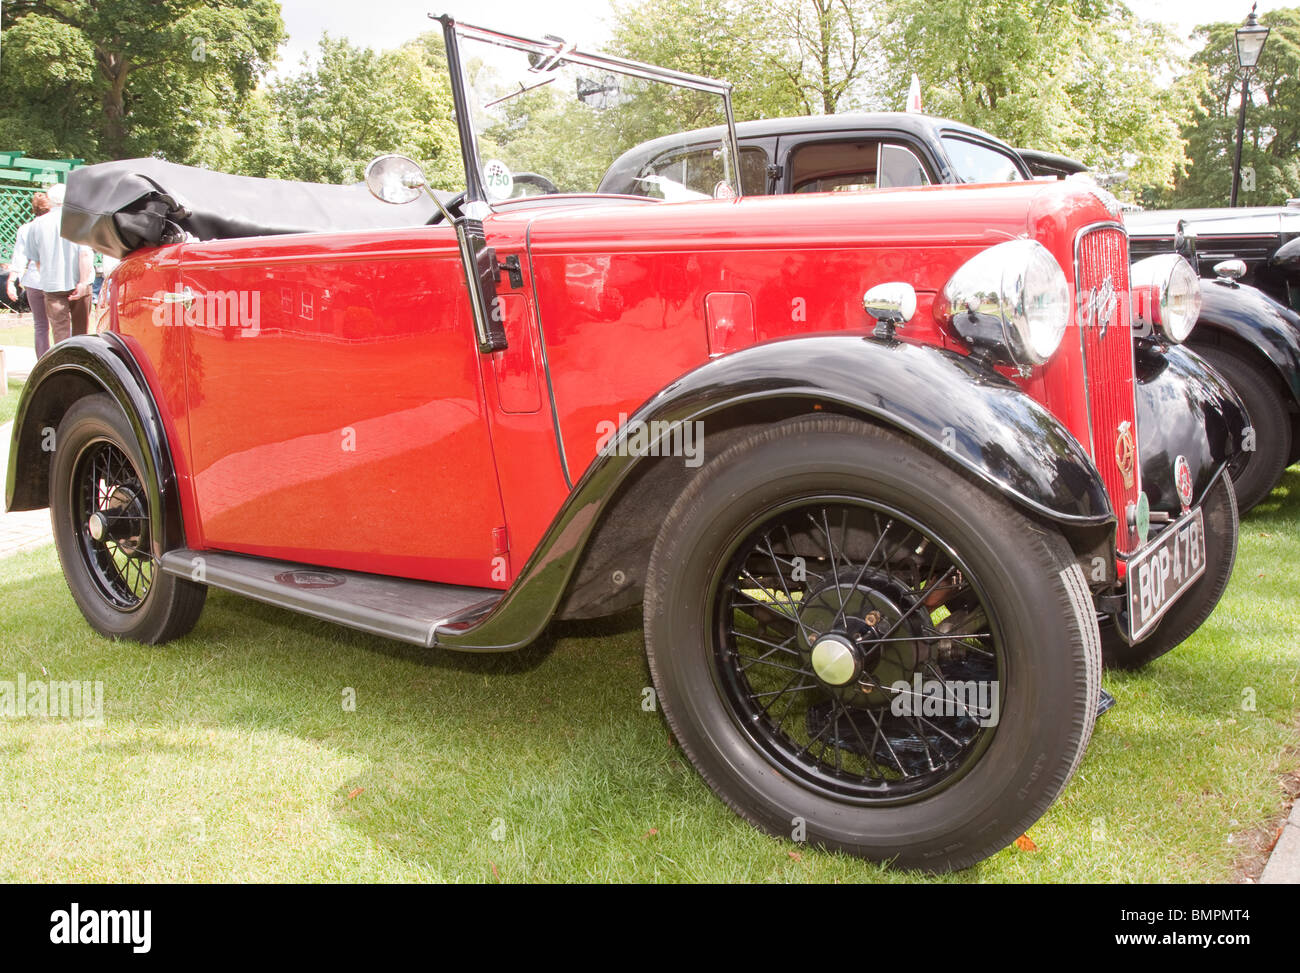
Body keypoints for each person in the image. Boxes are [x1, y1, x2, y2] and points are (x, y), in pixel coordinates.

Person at [11, 183, 93, 345]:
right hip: (80, 281)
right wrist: (83, 282)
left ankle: (63, 366)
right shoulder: (79, 221)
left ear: (50, 200)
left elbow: (36, 258)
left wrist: (46, 276)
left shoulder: (37, 224)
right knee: (81, 332)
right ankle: (81, 364)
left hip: (52, 285)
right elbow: (84, 253)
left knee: (59, 332)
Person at [5, 191, 54, 356]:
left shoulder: (25, 229)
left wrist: (12, 281)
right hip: (53, 281)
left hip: (33, 281)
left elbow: (19, 257)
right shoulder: (56, 226)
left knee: (40, 325)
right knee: (59, 322)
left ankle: (42, 361)